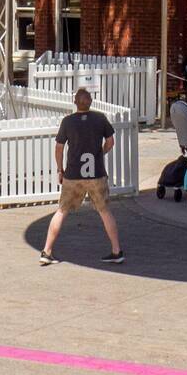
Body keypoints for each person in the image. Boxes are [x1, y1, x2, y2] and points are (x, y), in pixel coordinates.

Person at [38, 87, 123, 265]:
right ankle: (116, 250)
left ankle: (47, 251)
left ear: (75, 102)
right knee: (104, 211)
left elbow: (59, 147)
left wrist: (60, 169)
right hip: (96, 174)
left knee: (61, 210)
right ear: (91, 102)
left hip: (73, 174)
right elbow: (110, 141)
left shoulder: (68, 122)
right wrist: (101, 153)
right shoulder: (100, 119)